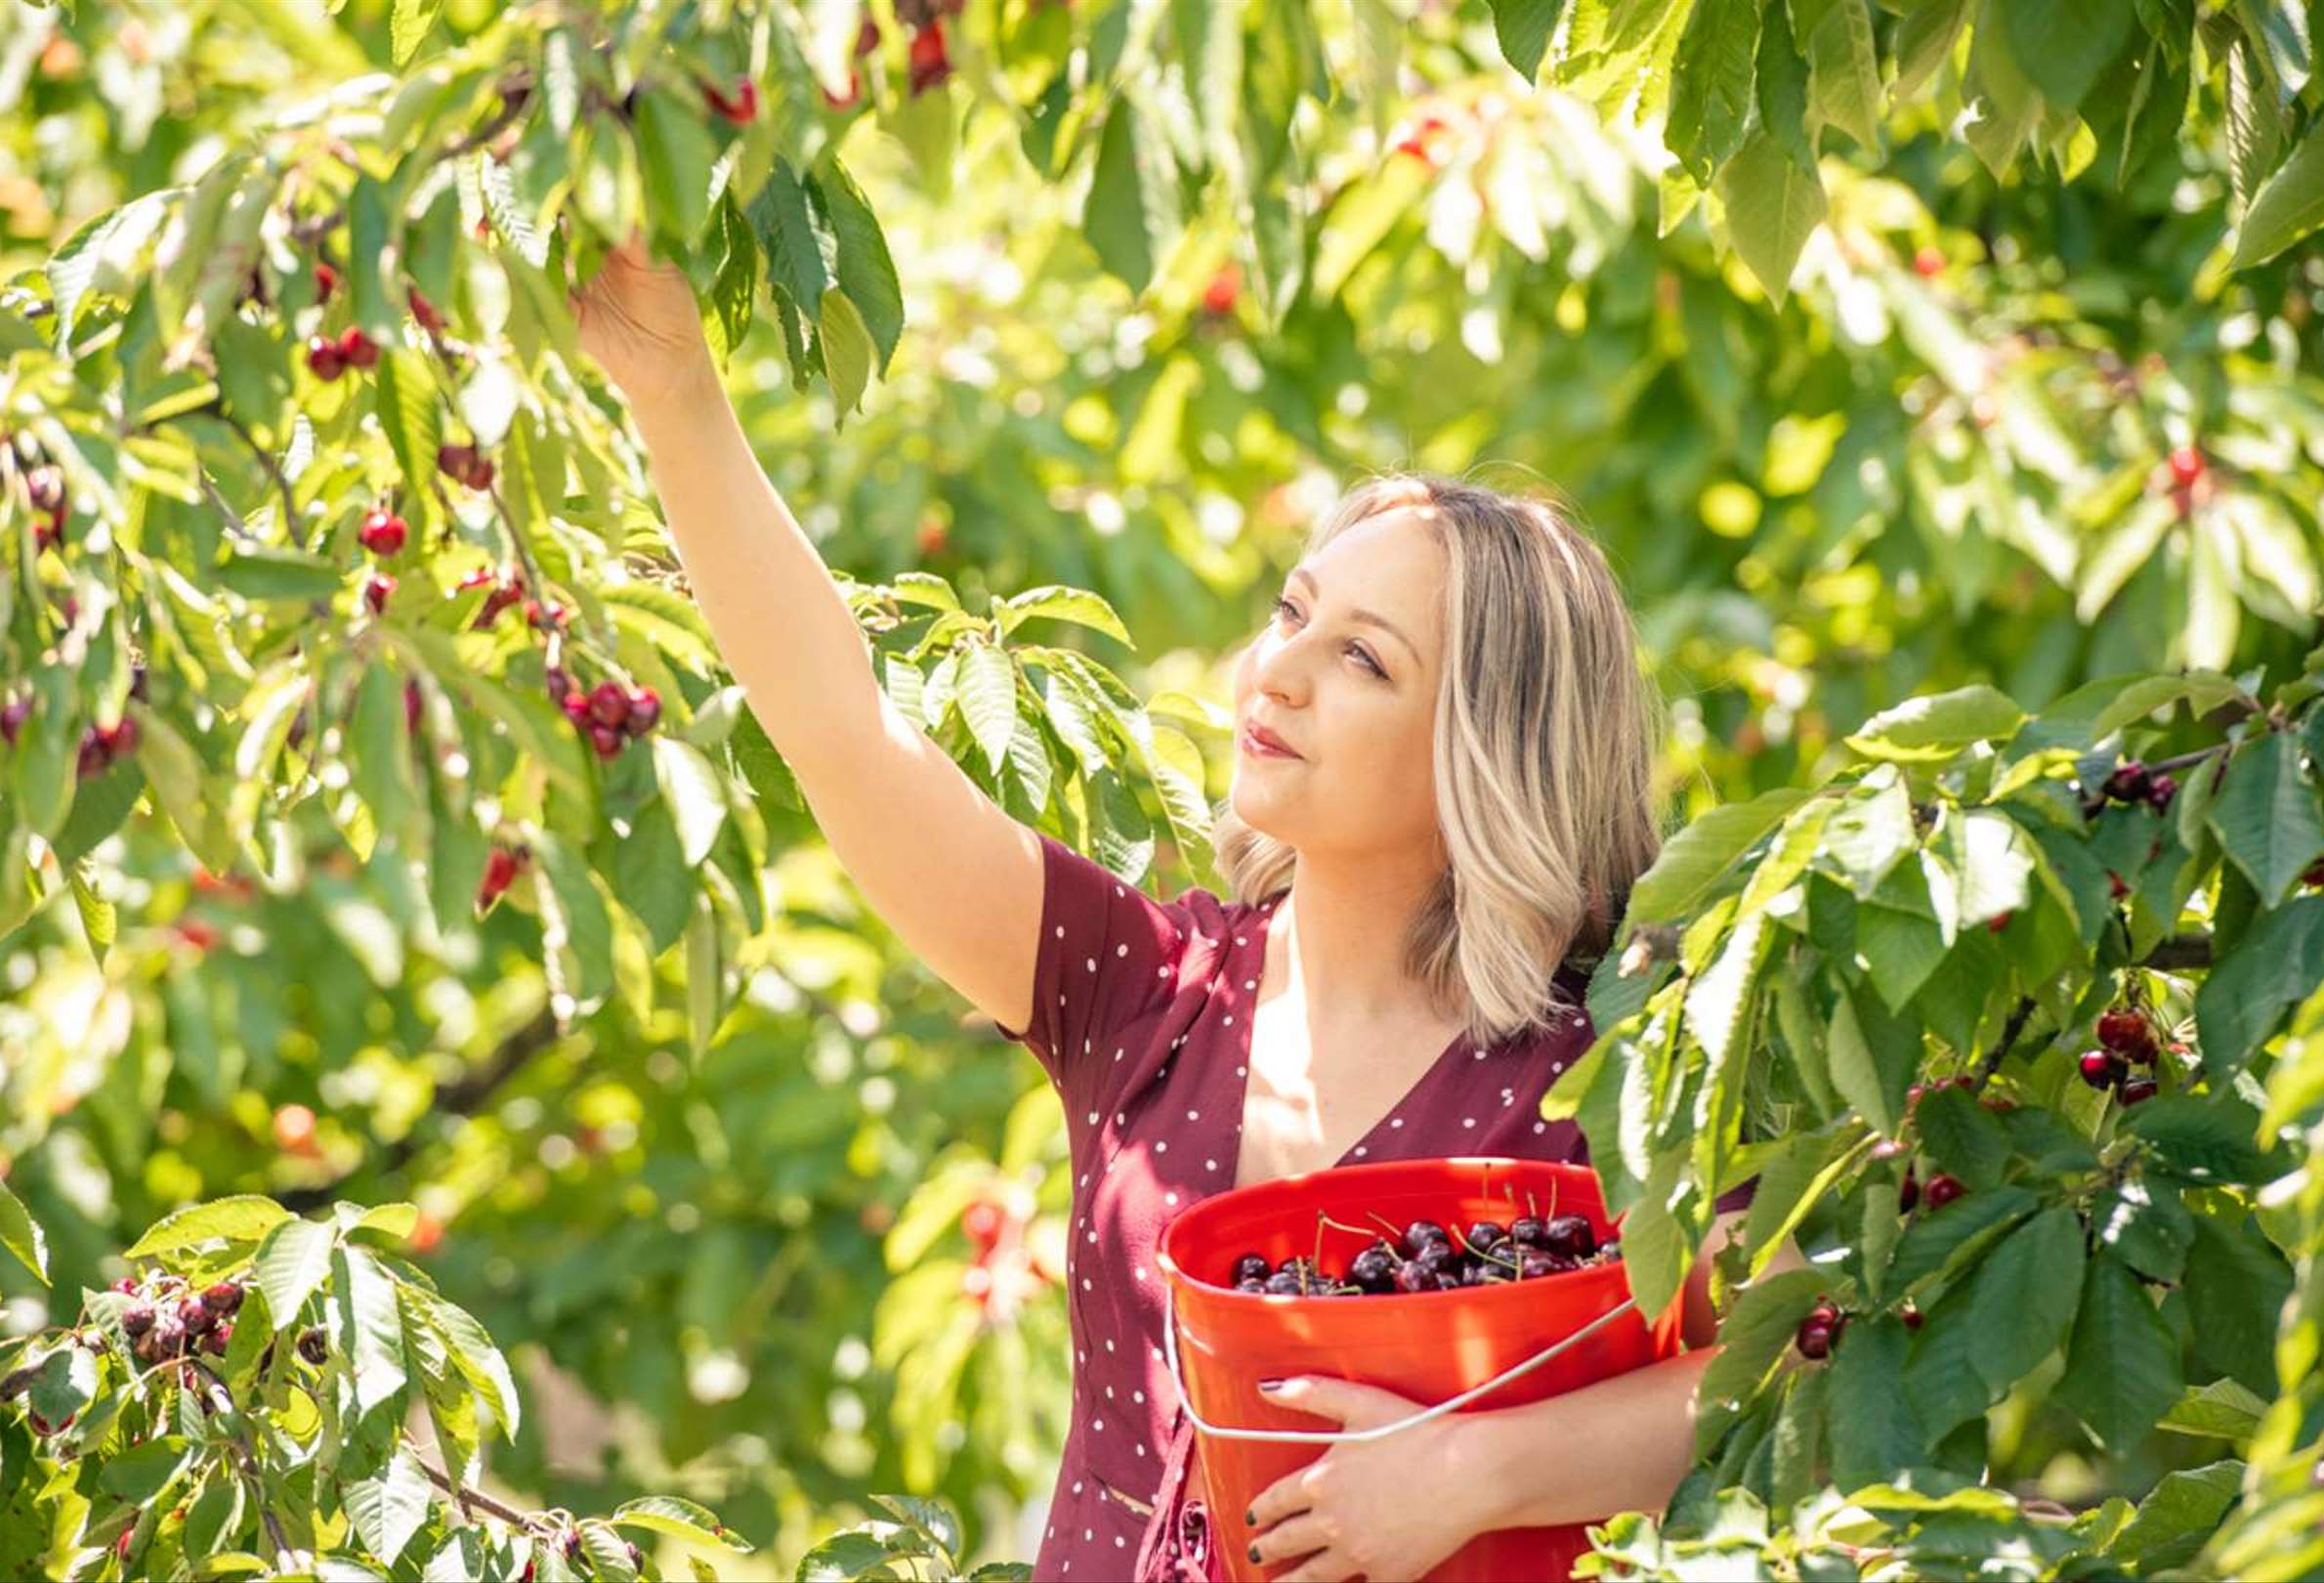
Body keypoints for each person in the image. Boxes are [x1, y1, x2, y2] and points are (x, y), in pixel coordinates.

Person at [572, 235, 1783, 1583]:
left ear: (1482, 757)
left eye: (1362, 659)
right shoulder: (1146, 989)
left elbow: (1779, 1356)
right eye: (1292, 611)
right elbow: (844, 733)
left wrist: (1472, 1471)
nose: (1280, 669)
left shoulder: (1621, 1061)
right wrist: (673, 391)